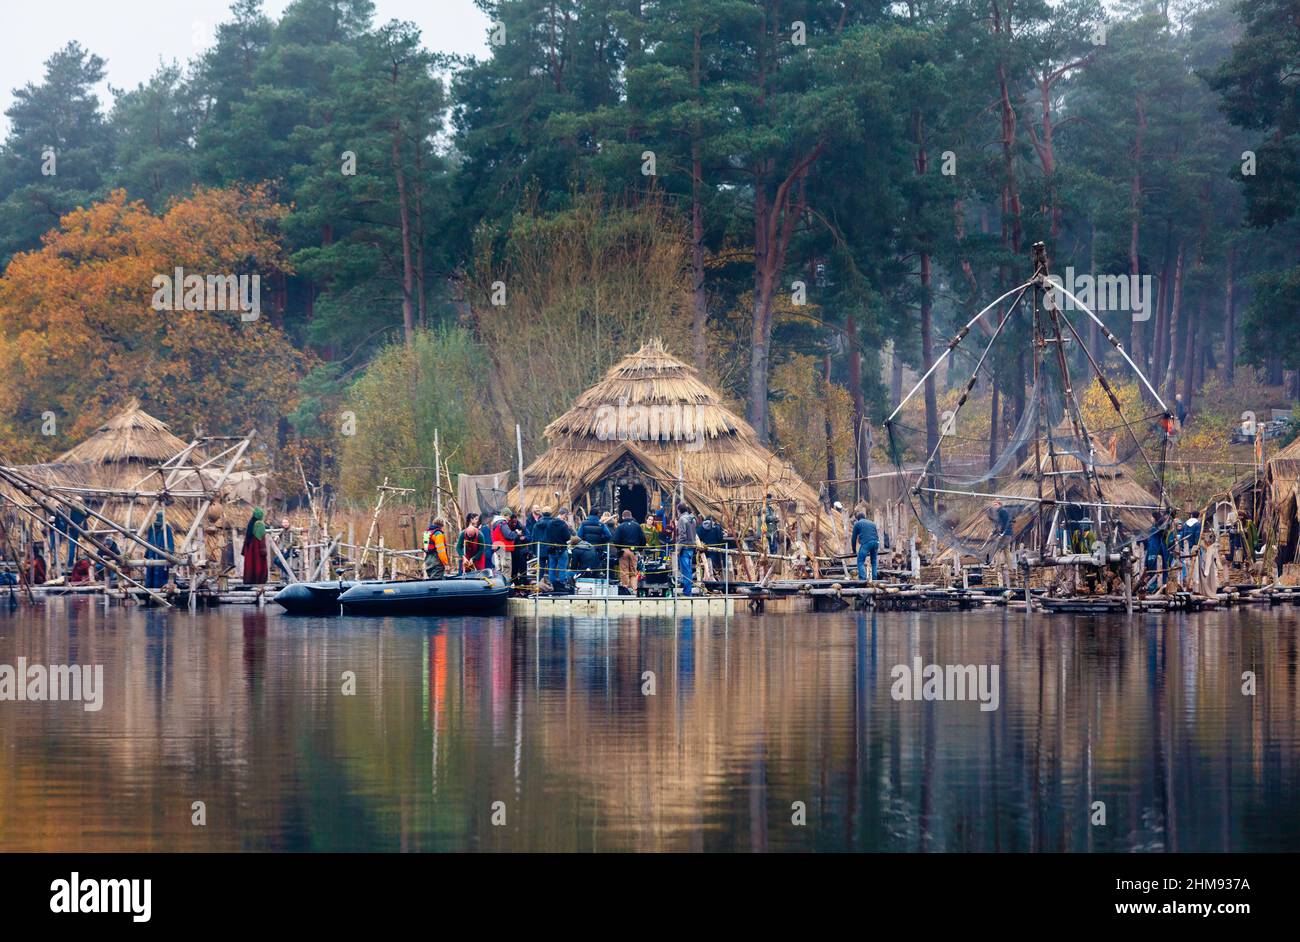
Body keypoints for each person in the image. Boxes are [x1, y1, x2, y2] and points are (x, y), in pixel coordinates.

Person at [146, 510, 175, 590]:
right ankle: (161, 588)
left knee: (153, 569)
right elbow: (170, 541)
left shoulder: (151, 527)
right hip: (162, 553)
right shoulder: (166, 527)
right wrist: (170, 552)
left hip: (153, 552)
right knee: (162, 570)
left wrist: (148, 553)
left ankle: (151, 587)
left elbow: (148, 541)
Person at [578, 508, 613, 574]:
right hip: (597, 548)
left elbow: (579, 536)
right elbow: (609, 535)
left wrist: (583, 542)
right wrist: (601, 541)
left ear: (589, 514)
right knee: (596, 567)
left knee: (584, 566)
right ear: (597, 514)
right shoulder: (601, 524)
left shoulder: (583, 523)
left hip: (585, 548)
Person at [241, 508, 269, 584]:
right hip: (257, 548)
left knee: (250, 564)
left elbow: (247, 537)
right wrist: (263, 550)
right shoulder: (260, 524)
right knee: (258, 564)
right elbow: (261, 538)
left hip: (250, 548)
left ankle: (249, 580)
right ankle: (258, 579)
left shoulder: (250, 523)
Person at [675, 505, 698, 596]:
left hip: (684, 547)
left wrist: (678, 549)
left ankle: (687, 592)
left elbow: (682, 536)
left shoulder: (682, 519)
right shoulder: (693, 519)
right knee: (688, 569)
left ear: (679, 510)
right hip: (691, 546)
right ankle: (687, 590)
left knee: (686, 570)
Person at [852, 509, 880, 581]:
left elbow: (853, 538)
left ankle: (862, 579)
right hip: (876, 543)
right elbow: (876, 535)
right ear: (865, 517)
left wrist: (854, 550)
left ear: (858, 519)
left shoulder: (857, 524)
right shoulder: (872, 523)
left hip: (866, 543)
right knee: (873, 561)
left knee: (860, 561)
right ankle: (874, 579)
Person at [698, 514, 725, 581]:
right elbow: (720, 538)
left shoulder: (701, 527)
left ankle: (704, 577)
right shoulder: (716, 527)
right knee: (714, 564)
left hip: (704, 550)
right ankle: (713, 577)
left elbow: (698, 537)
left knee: (705, 564)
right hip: (714, 549)